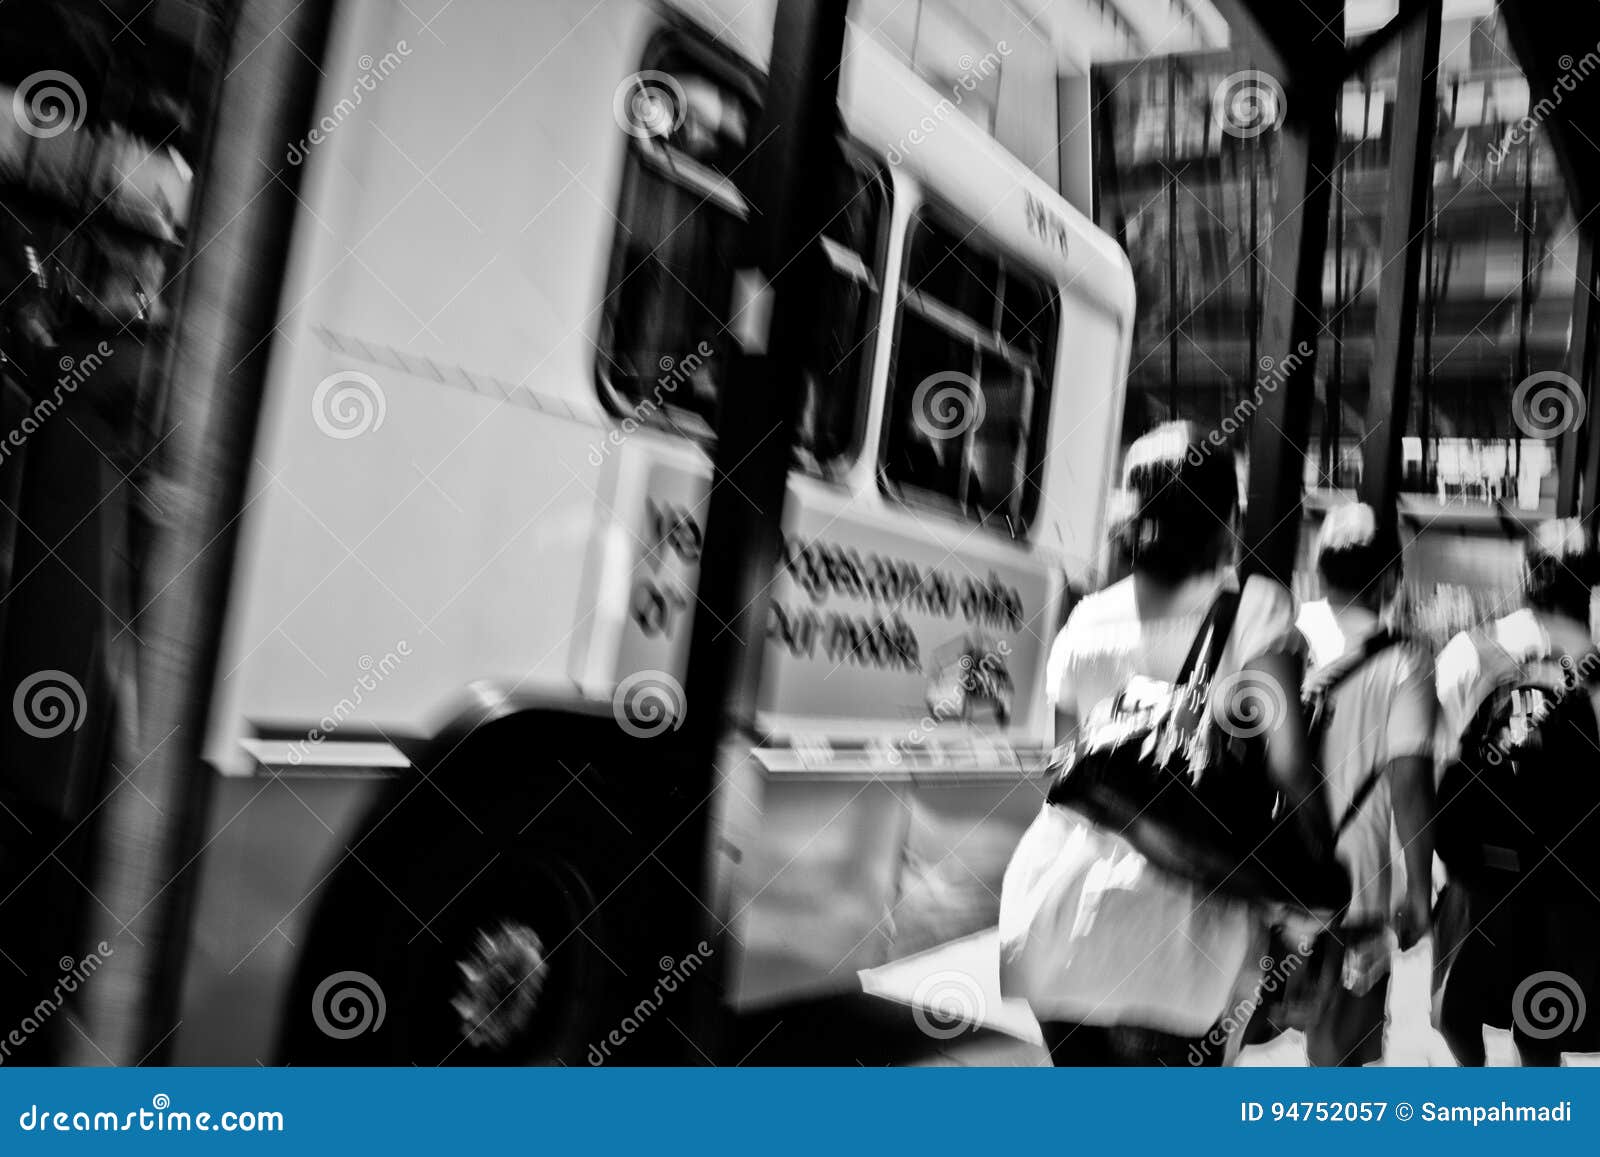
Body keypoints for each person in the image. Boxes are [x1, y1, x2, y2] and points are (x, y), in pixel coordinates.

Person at [1003, 421, 1333, 1066]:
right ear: (1226, 516)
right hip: (1176, 941)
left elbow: (1063, 772)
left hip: (1055, 924)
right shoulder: (1256, 610)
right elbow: (1292, 771)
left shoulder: (1084, 619)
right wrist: (1319, 898)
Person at [1433, 518, 1600, 1066]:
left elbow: (1434, 764)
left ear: (1524, 576)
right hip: (1571, 883)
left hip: (1480, 876)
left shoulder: (1471, 653)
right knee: (1542, 1026)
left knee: (1456, 1011)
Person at [1292, 502, 1437, 1066]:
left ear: (1318, 569)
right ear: (1392, 579)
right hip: (1354, 889)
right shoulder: (1405, 659)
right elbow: (1410, 784)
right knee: (1338, 1060)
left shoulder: (1281, 638)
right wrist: (1419, 891)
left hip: (1264, 873)